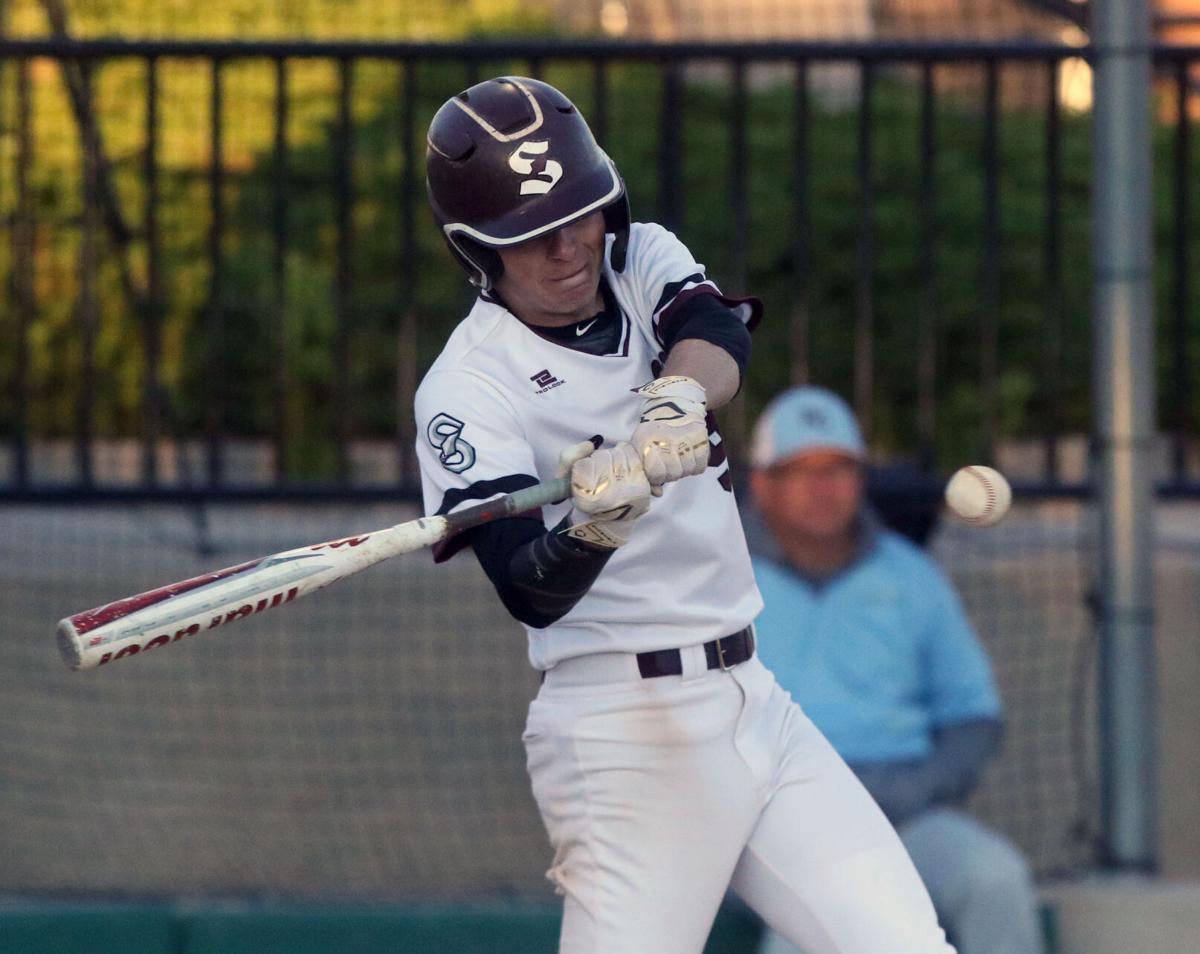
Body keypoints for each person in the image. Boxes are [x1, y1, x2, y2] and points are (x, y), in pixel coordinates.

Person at [415, 75, 955, 954]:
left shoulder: (641, 258)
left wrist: (673, 402)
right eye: (533, 236)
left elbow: (715, 333)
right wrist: (597, 524)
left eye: (581, 213)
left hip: (753, 697)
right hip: (624, 733)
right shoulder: (465, 389)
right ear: (479, 249)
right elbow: (526, 585)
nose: (568, 249)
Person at [747, 385, 1045, 954]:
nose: (822, 487)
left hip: (901, 811)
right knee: (808, 929)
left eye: (838, 468)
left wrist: (912, 791)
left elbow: (973, 717)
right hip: (769, 826)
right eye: (800, 470)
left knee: (996, 879)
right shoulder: (717, 574)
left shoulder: (910, 574)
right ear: (763, 483)